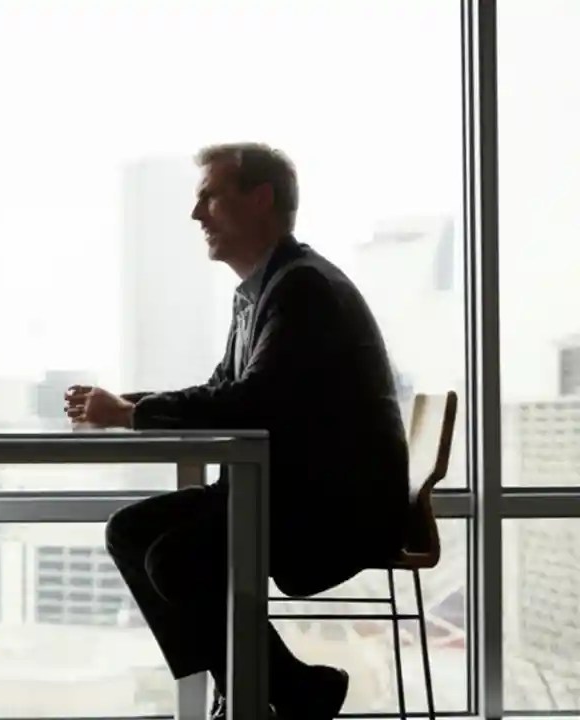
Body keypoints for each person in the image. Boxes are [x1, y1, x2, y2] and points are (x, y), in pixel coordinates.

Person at [65, 143, 409, 720]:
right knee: (129, 532)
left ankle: (272, 689)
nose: (198, 215)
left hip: (334, 511)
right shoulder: (261, 292)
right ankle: (277, 685)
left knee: (175, 558)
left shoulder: (302, 290)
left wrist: (127, 414)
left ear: (260, 200)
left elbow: (251, 402)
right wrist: (129, 404)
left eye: (210, 198)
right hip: (290, 493)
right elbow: (225, 388)